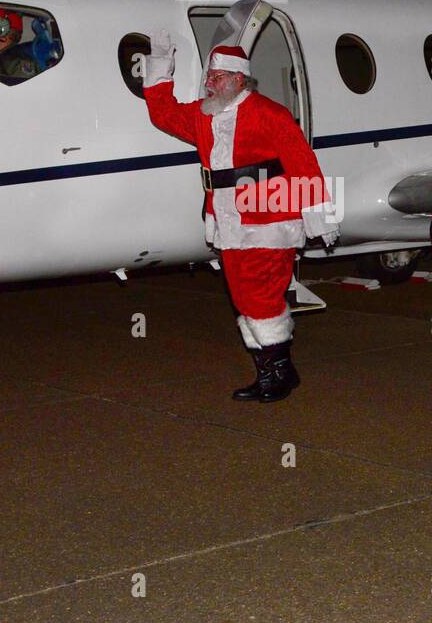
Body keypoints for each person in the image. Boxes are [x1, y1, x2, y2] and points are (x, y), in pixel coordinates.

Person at [143, 29, 338, 402]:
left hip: (270, 224)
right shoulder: (203, 115)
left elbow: (303, 164)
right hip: (228, 225)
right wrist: (158, 65)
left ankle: (276, 376)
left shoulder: (270, 114)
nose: (210, 84)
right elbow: (163, 114)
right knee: (244, 298)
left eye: (217, 78)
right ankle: (279, 370)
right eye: (208, 78)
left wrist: (319, 219)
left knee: (261, 298)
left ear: (238, 79)